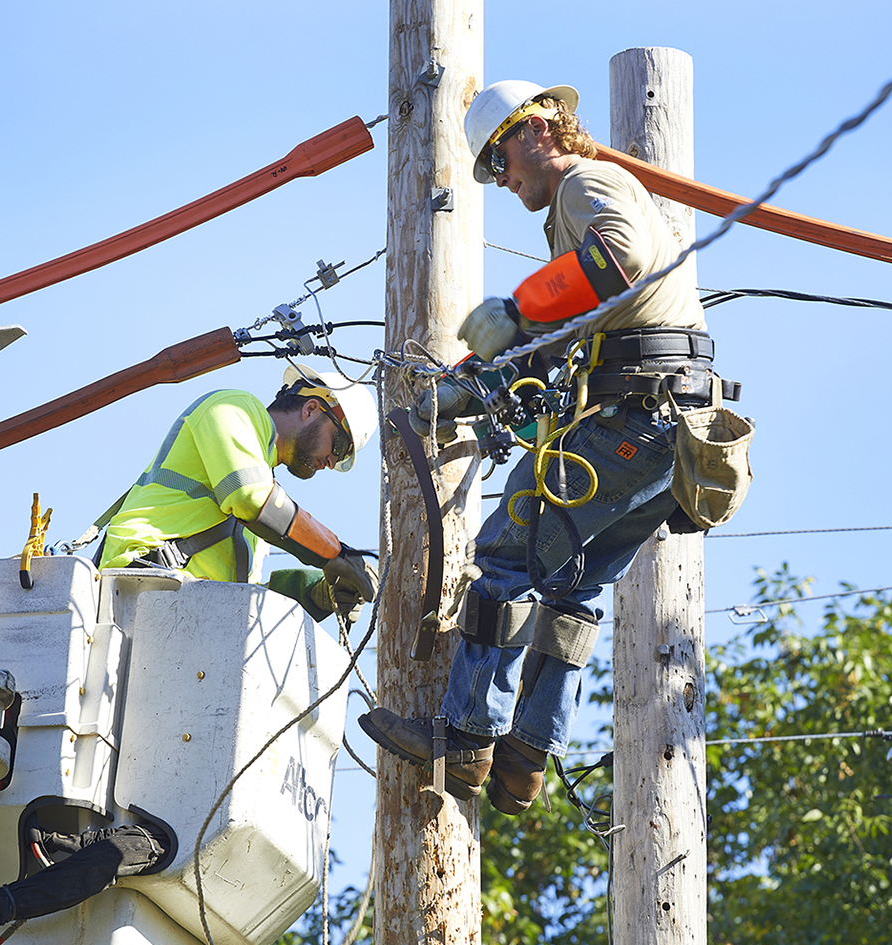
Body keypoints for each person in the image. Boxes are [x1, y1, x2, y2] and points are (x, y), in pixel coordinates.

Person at [360, 80, 729, 813]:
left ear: (535, 132)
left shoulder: (586, 184)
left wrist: (517, 308)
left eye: (499, 162)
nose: (501, 181)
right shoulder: (572, 218)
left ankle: (465, 737)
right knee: (571, 587)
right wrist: (476, 382)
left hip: (636, 419)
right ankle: (525, 755)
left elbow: (615, 261)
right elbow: (567, 334)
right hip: (666, 436)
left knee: (504, 557)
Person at [98, 363, 379, 624]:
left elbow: (241, 598)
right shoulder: (235, 408)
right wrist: (336, 554)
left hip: (192, 615)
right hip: (140, 585)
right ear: (311, 409)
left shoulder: (264, 509)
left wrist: (313, 593)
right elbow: (249, 496)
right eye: (340, 445)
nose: (332, 462)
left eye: (342, 459)